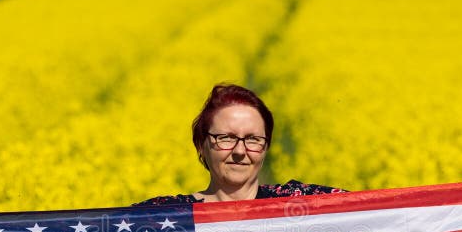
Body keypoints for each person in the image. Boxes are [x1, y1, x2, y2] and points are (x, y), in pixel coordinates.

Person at [134, 84, 344, 205]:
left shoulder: (297, 203)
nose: (240, 151)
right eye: (226, 138)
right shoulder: (167, 216)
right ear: (201, 145)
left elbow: (368, 211)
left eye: (253, 139)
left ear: (266, 148)